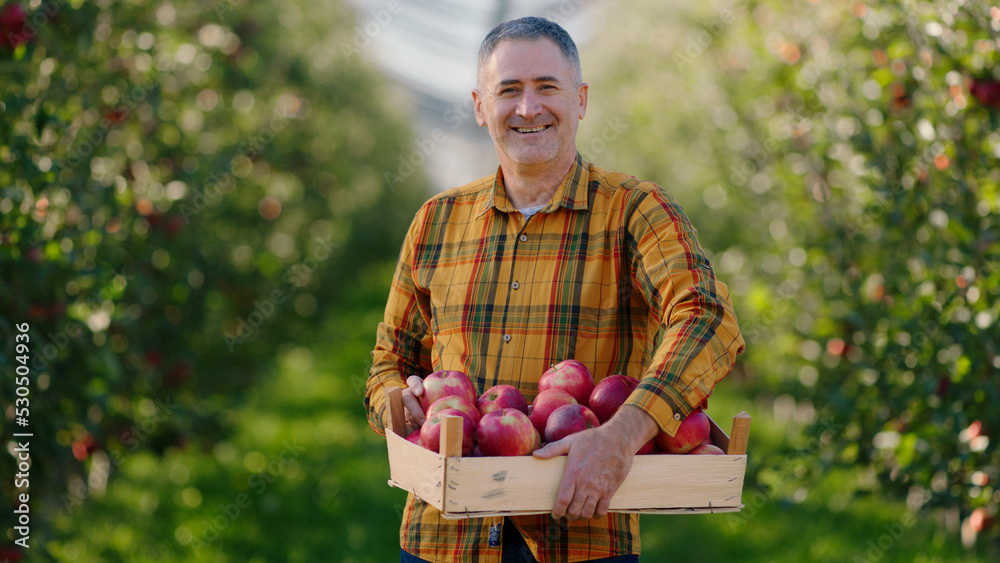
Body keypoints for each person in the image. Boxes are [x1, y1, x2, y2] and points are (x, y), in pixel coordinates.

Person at [365, 16, 745, 563]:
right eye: (508, 90)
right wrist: (404, 408)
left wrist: (624, 434)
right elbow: (387, 362)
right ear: (479, 105)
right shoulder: (435, 222)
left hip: (584, 531)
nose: (528, 108)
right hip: (445, 538)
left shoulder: (635, 211)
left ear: (582, 99)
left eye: (547, 87)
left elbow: (707, 317)